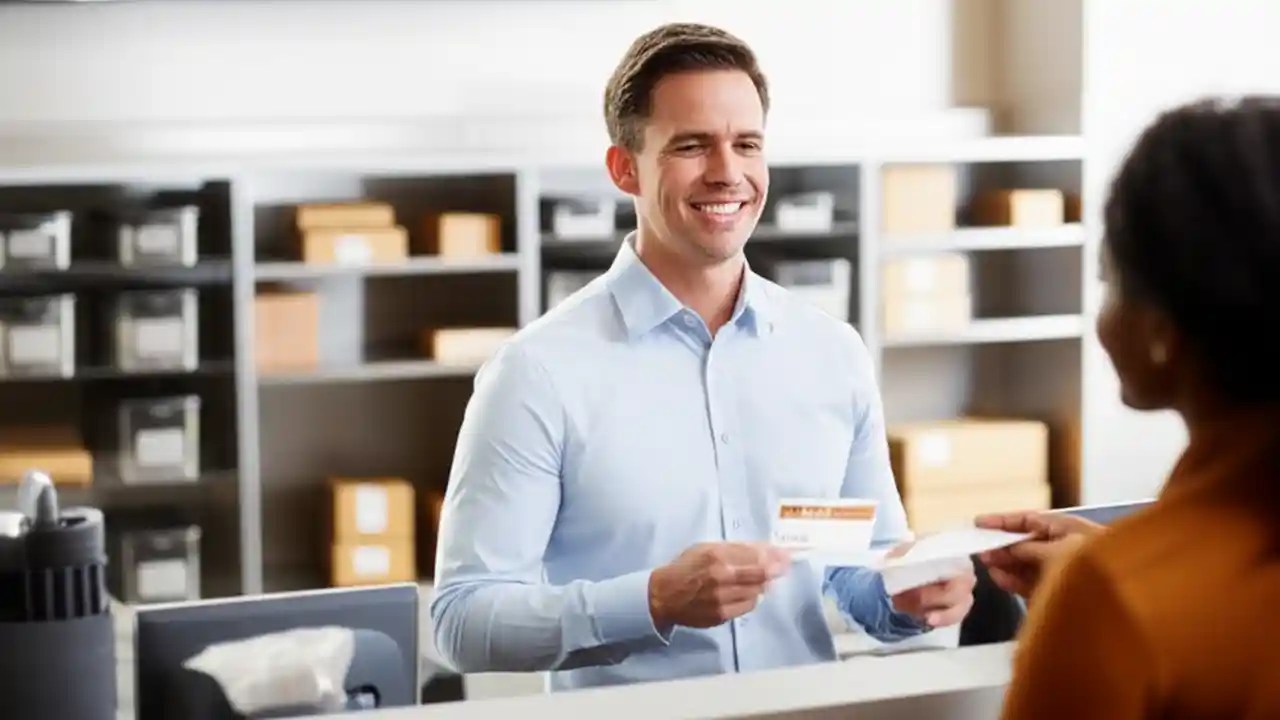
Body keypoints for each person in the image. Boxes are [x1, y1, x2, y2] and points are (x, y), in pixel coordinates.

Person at [429, 22, 975, 691]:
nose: (727, 172)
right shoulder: (538, 373)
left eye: (747, 144)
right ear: (624, 168)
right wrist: (653, 599)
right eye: (692, 145)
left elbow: (853, 566)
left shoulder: (831, 354)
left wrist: (907, 595)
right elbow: (462, 621)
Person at [974, 96, 1280, 719]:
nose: (1104, 318)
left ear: (1163, 329)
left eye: (1110, 282)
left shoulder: (1112, 598)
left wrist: (1114, 571)